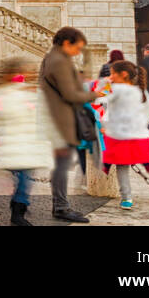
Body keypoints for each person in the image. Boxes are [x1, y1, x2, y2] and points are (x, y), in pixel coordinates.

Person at [38, 26, 103, 224]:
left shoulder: (53, 58)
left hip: (57, 117)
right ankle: (61, 206)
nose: (78, 52)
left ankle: (60, 204)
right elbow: (70, 94)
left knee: (62, 163)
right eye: (78, 48)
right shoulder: (59, 61)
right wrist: (95, 94)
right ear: (67, 43)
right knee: (62, 163)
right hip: (62, 119)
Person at [99, 60, 149, 208]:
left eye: (112, 74)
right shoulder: (142, 93)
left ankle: (126, 199)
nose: (110, 76)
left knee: (121, 166)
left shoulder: (116, 90)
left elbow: (100, 102)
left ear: (123, 75)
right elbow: (144, 115)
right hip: (138, 134)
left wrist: (104, 84)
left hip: (117, 135)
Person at [0, 58, 53, 226]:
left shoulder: (21, 92)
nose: (30, 74)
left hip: (24, 144)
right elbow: (16, 115)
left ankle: (19, 205)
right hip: (17, 144)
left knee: (25, 177)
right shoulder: (10, 94)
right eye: (25, 71)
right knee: (25, 179)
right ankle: (18, 212)